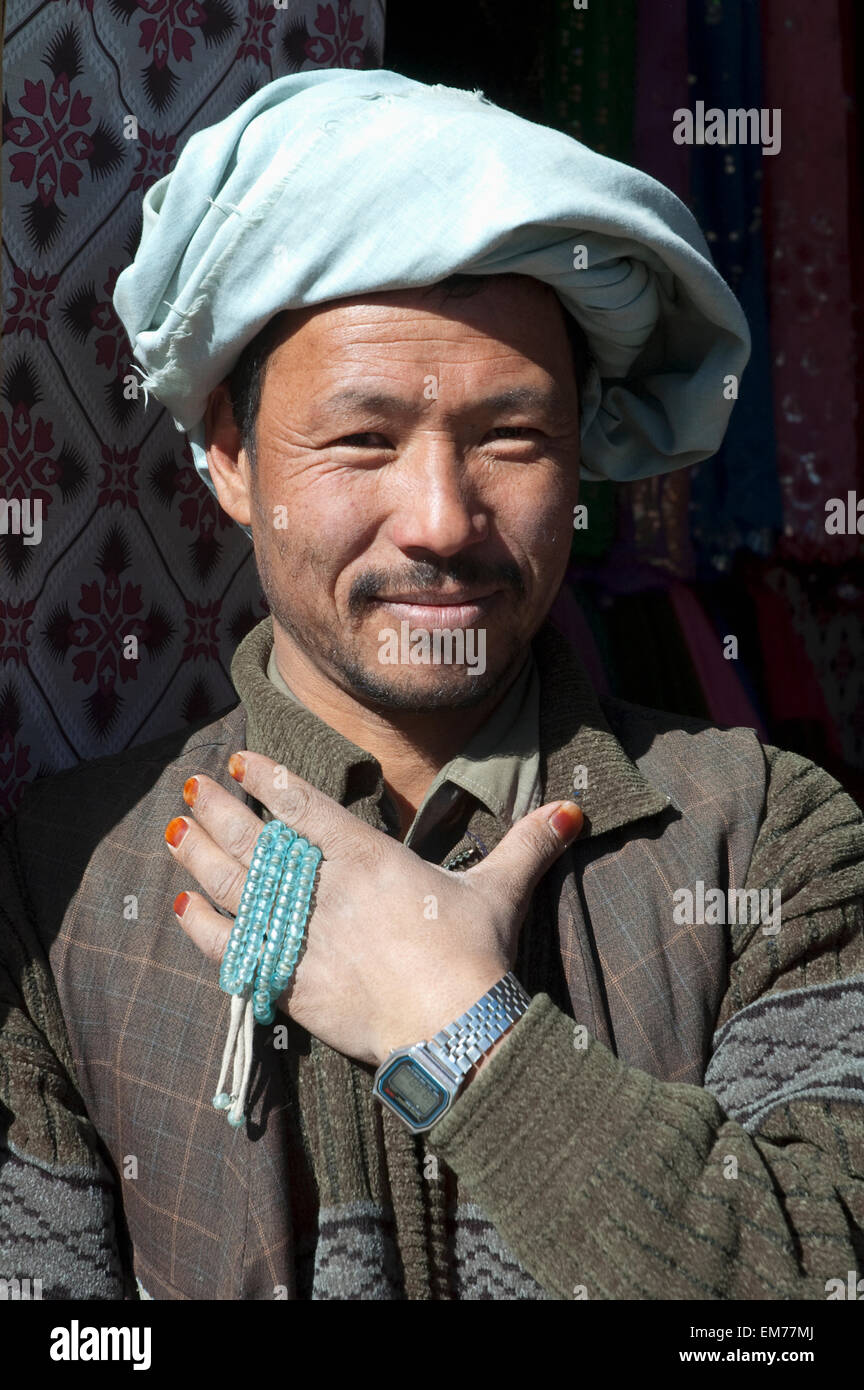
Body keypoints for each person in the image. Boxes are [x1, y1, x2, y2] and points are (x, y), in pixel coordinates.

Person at [1, 69, 862, 1302]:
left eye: (513, 437)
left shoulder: (767, 834)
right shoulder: (62, 882)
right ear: (233, 460)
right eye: (360, 441)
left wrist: (467, 1039)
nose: (443, 521)